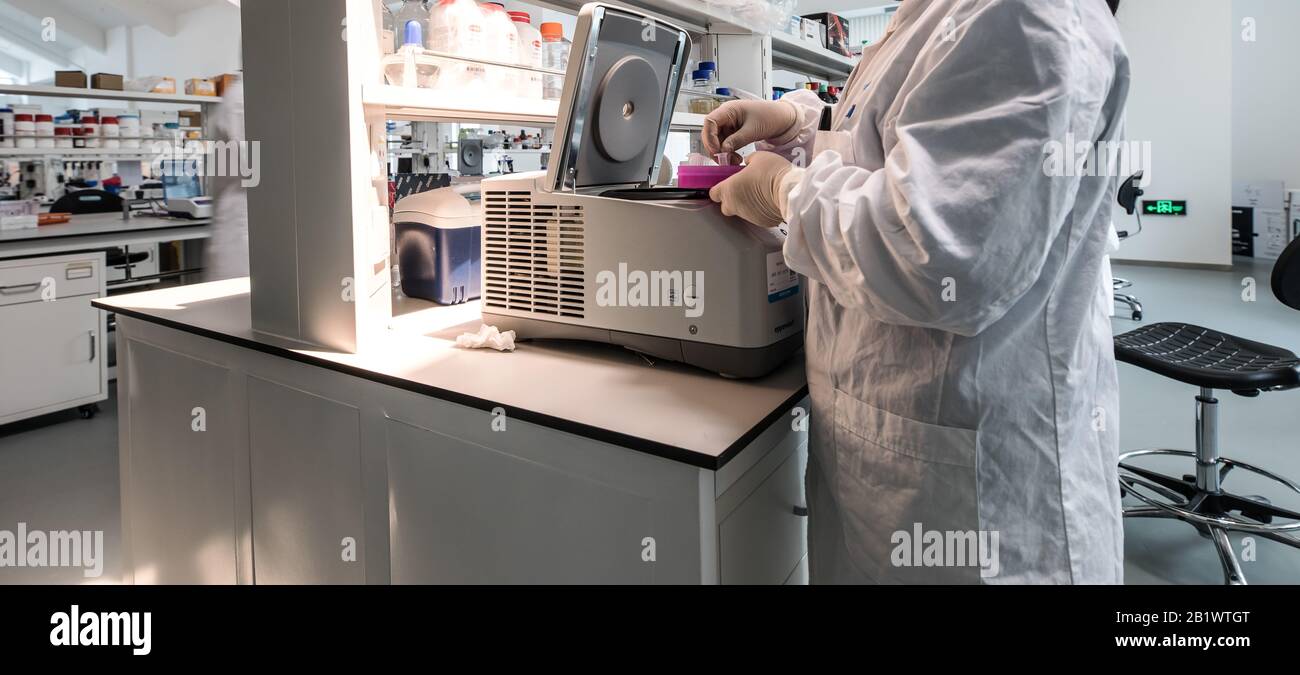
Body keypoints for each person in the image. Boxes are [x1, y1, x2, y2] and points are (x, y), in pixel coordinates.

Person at [703, 0, 1130, 583]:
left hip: (975, 482)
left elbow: (936, 254)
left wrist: (786, 191)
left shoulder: (1021, 13)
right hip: (899, 446)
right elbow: (892, 141)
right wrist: (796, 125)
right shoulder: (937, 12)